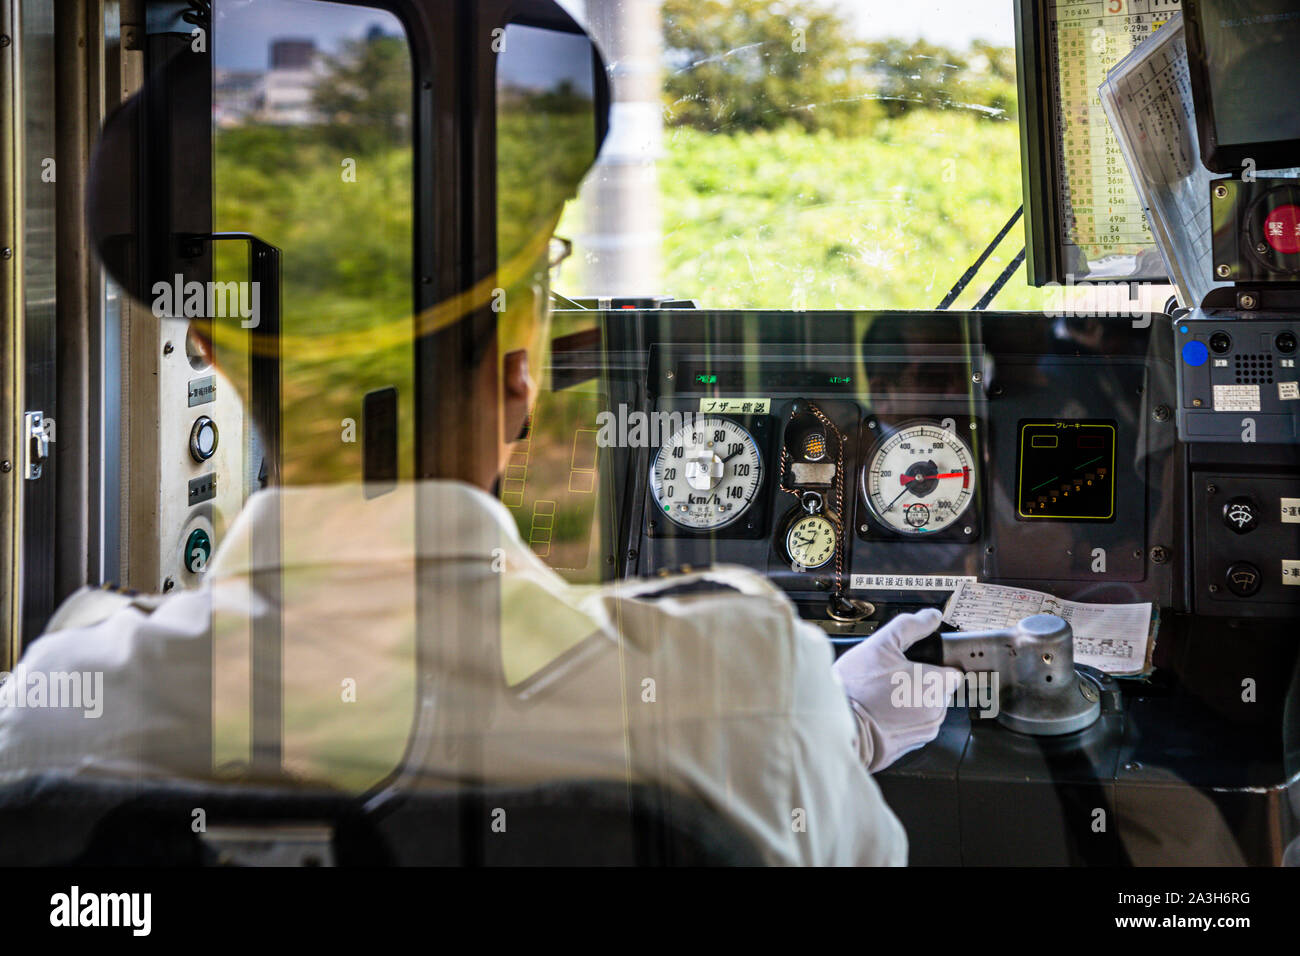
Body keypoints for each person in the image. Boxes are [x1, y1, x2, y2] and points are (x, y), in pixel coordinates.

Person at [0, 6, 958, 866]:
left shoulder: (59, 706)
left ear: (208, 347)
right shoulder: (744, 683)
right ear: (520, 362)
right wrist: (845, 731)